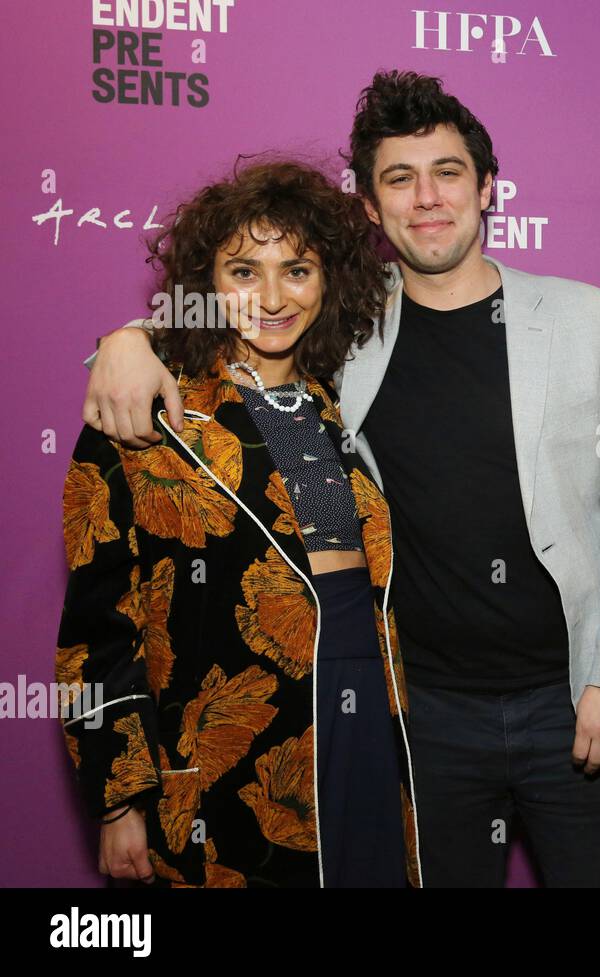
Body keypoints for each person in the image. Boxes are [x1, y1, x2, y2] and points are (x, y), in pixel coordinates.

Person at [80, 70, 600, 887]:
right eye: (399, 178)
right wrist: (127, 335)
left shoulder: (592, 319)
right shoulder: (348, 325)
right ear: (370, 206)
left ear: (489, 187)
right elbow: (239, 309)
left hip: (573, 702)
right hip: (417, 717)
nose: (427, 197)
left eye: (448, 172)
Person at [59, 161, 421, 887]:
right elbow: (96, 632)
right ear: (206, 285)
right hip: (230, 752)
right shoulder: (149, 412)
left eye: (298, 269)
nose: (274, 296)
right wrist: (117, 799)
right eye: (243, 271)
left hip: (366, 714)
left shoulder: (334, 400)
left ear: (328, 282)